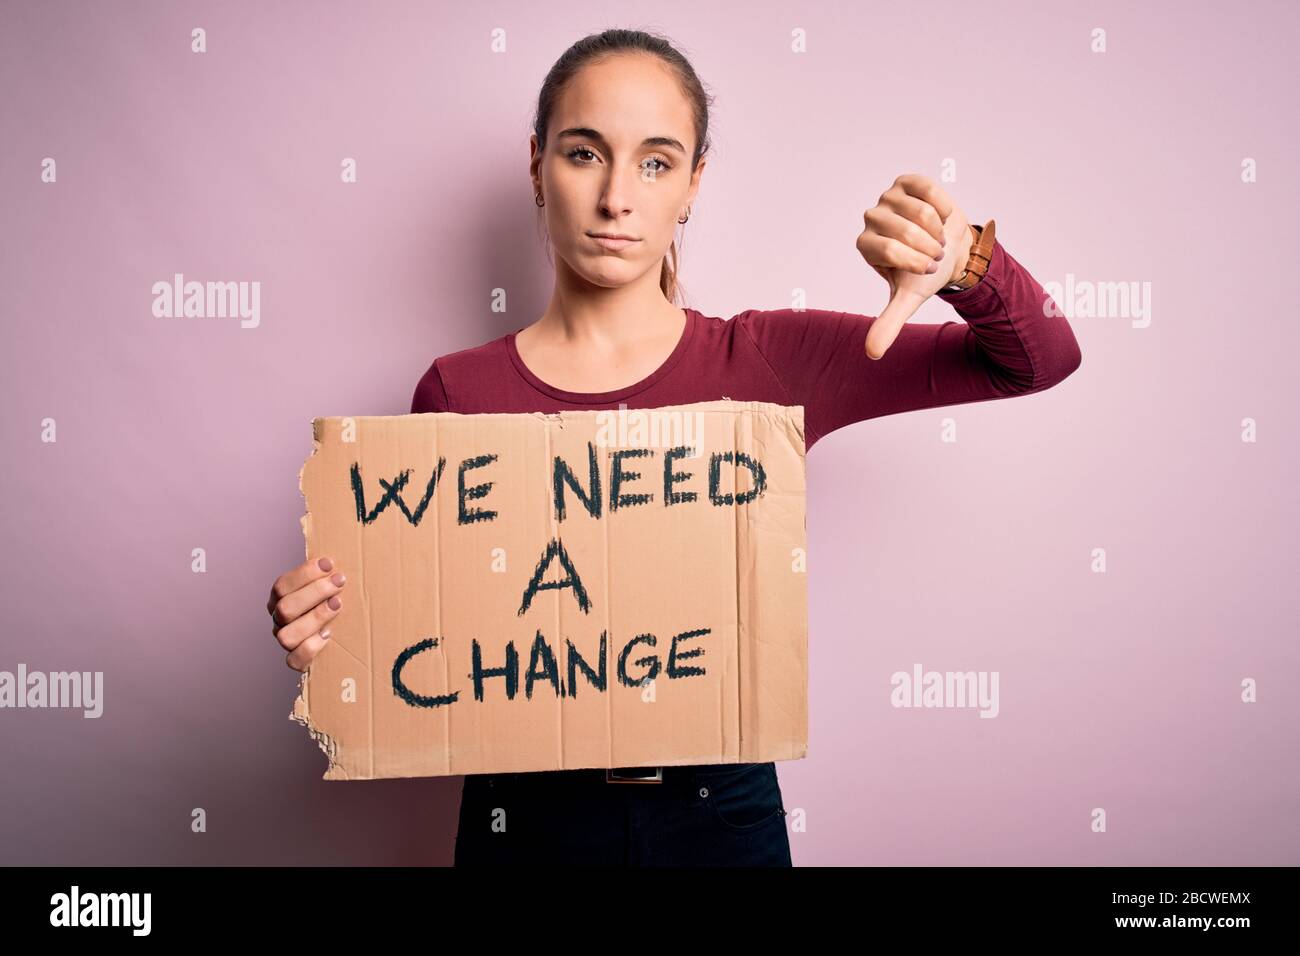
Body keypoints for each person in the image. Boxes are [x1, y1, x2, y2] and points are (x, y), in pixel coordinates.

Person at [267, 28, 1082, 867]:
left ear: (693, 184)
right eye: (585, 154)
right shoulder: (454, 392)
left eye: (656, 163)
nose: (618, 196)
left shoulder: (771, 361)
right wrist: (328, 627)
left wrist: (963, 265)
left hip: (718, 812)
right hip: (527, 816)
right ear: (537, 166)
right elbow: (435, 630)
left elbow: (1039, 359)